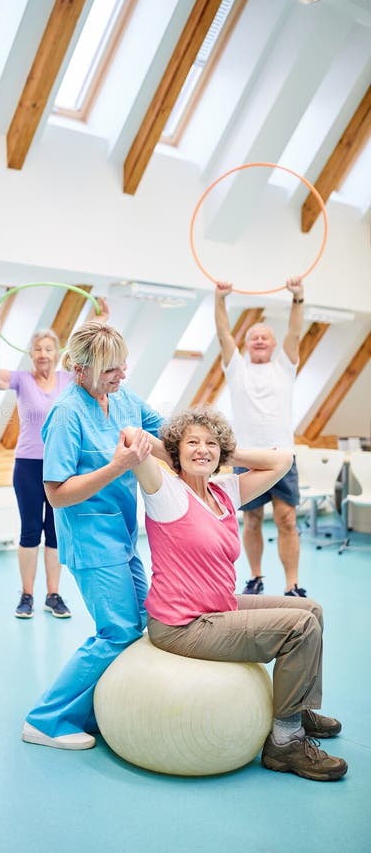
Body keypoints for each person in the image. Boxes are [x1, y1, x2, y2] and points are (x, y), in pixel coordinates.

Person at [128, 406, 346, 781]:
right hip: (183, 624)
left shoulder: (224, 490)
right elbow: (133, 436)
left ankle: (297, 709)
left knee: (311, 609)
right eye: (193, 442)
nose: (203, 449)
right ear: (176, 449)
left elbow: (282, 461)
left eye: (211, 444)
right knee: (300, 627)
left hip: (218, 607)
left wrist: (223, 455)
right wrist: (182, 453)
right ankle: (285, 742)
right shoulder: (166, 491)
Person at [21, 321, 165, 750]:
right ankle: (45, 720)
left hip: (122, 534)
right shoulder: (66, 414)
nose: (119, 377)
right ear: (80, 369)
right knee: (117, 632)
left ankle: (94, 711)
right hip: (89, 539)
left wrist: (209, 448)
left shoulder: (121, 398)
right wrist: (119, 465)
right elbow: (57, 495)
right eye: (109, 371)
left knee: (143, 622)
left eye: (122, 367)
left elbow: (165, 430)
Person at [0, 298, 109, 620]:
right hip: (27, 464)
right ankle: (27, 595)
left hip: (62, 465)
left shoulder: (69, 380)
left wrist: (101, 323)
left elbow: (96, 365)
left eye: (49, 349)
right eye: (38, 349)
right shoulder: (22, 380)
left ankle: (54, 594)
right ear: (31, 354)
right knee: (29, 531)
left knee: (55, 532)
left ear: (58, 354)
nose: (43, 354)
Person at [215, 277, 306, 596]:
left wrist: (298, 297)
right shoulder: (236, 369)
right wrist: (220, 300)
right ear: (247, 344)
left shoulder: (285, 367)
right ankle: (256, 577)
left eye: (264, 337)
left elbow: (295, 331)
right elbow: (223, 333)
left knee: (286, 520)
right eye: (253, 337)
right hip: (248, 457)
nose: (259, 340)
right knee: (252, 521)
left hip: (282, 458)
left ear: (272, 343)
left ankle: (292, 584)